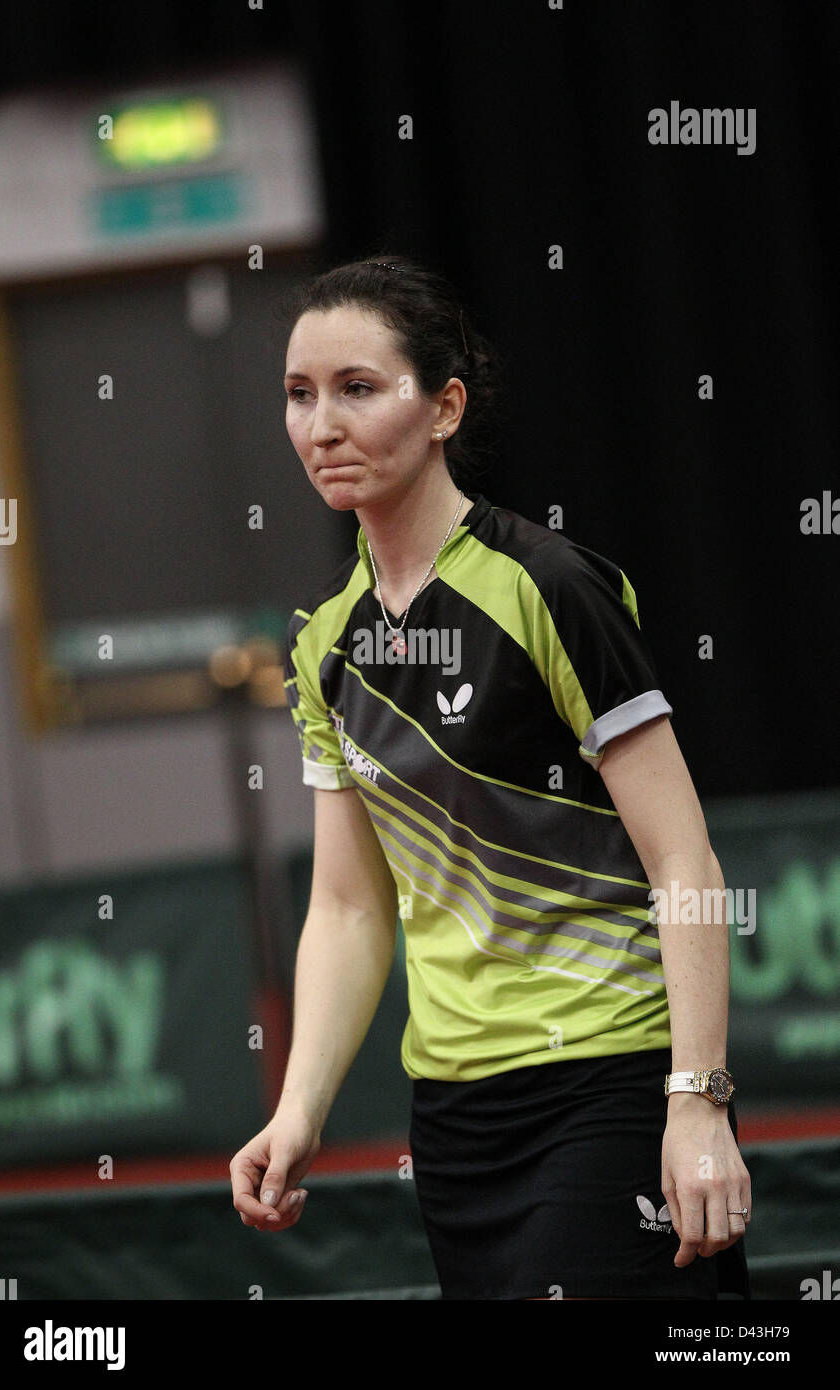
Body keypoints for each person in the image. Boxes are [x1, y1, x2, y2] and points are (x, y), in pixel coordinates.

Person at [229, 252, 752, 1301]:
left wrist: (693, 1100)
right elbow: (345, 904)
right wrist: (298, 1110)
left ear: (443, 407)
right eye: (299, 394)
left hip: (607, 1080)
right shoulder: (322, 643)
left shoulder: (547, 588)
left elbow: (681, 856)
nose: (320, 424)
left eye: (357, 389)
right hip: (457, 1118)